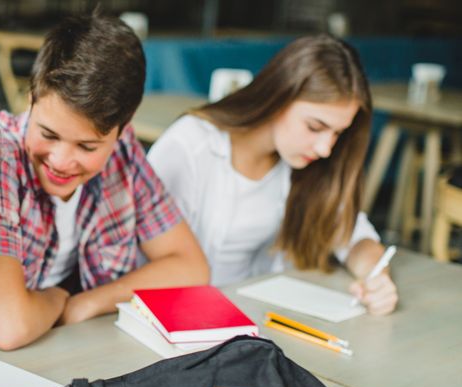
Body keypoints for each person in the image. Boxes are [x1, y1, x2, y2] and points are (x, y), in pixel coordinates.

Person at [0, 13, 209, 350]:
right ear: (31, 98)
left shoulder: (123, 154)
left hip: (64, 349)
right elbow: (9, 327)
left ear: (122, 129)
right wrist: (63, 294)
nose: (61, 161)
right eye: (48, 133)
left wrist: (87, 303)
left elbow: (190, 266)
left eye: (86, 146)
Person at [147, 34, 398, 315]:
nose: (326, 148)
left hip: (253, 317)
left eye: (337, 133)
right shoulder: (190, 145)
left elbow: (355, 237)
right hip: (179, 315)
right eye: (315, 127)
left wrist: (377, 277)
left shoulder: (308, 164)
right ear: (279, 97)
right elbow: (147, 256)